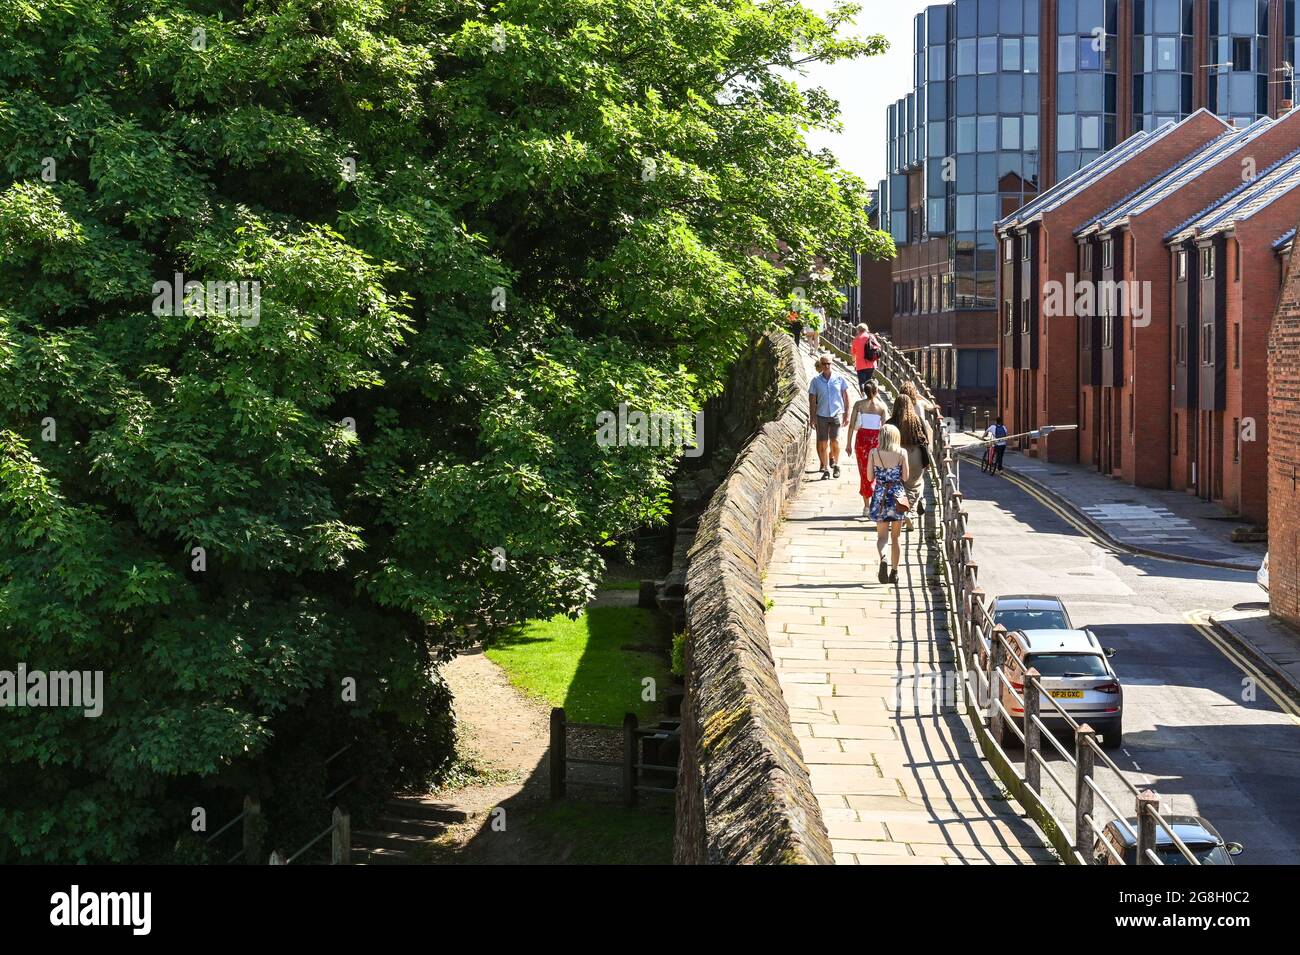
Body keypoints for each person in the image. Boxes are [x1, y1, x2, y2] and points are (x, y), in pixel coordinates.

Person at [868, 424, 910, 585]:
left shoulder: (874, 453)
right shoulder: (901, 453)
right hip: (897, 496)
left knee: (882, 537)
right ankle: (894, 572)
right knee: (896, 537)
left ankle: (883, 558)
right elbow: (905, 477)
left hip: (880, 495)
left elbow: (870, 477)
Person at [846, 381, 890, 517]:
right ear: (876, 391)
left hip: (862, 441)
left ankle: (866, 506)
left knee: (864, 472)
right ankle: (876, 504)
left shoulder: (859, 404)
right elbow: (885, 428)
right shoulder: (882, 406)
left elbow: (852, 425)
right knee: (878, 472)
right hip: (876, 441)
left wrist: (848, 444)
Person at [888, 394, 929, 530]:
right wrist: (926, 461)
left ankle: (900, 512)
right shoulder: (917, 421)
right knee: (914, 486)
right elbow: (925, 442)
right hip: (915, 455)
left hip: (895, 455)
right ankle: (909, 513)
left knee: (898, 486)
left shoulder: (890, 423)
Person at [808, 353, 850, 480]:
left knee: (835, 441)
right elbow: (812, 400)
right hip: (821, 415)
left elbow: (846, 397)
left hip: (836, 413)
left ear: (832, 364)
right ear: (820, 365)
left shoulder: (839, 378)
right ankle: (825, 468)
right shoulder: (815, 381)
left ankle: (836, 465)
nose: (826, 366)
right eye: (824, 364)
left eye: (829, 363)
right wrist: (812, 417)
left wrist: (847, 414)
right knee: (823, 443)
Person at [850, 324, 880, 392]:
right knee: (869, 382)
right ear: (866, 329)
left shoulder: (856, 339)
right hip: (871, 363)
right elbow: (877, 347)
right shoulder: (871, 336)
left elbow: (853, 353)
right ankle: (870, 396)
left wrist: (854, 362)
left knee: (862, 382)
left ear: (858, 330)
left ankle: (863, 396)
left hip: (860, 365)